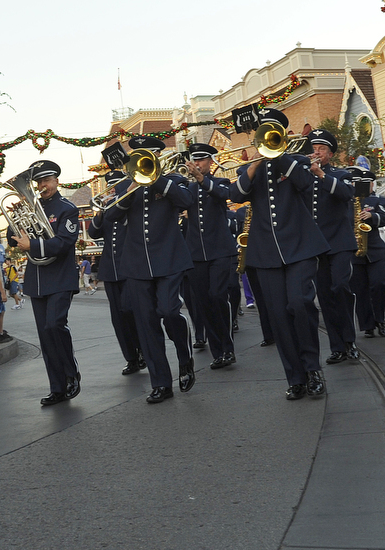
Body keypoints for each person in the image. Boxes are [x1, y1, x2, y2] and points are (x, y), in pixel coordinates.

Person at [235, 109, 330, 400]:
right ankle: (295, 377)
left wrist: (280, 155)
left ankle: (312, 368)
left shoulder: (297, 162)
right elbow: (236, 195)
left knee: (301, 304)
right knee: (278, 315)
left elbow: (305, 184)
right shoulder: (251, 169)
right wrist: (253, 166)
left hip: (300, 247)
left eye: (272, 132)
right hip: (266, 254)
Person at [102, 139, 197, 403]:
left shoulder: (173, 180)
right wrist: (130, 188)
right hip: (136, 265)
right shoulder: (125, 185)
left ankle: (184, 356)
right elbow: (108, 218)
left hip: (169, 260)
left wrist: (157, 180)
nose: (145, 159)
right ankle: (161, 383)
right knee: (146, 324)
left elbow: (187, 200)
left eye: (151, 155)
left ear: (159, 156)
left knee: (168, 311)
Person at [11, 160, 82, 406]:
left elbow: (64, 242)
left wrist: (33, 245)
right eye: (39, 182)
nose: (43, 186)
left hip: (61, 277)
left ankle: (71, 373)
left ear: (56, 181)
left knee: (55, 326)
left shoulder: (67, 208)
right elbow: (15, 240)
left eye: (47, 181)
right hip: (37, 280)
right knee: (44, 335)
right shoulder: (32, 207)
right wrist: (17, 223)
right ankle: (57, 387)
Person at [301, 130, 363, 362]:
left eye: (321, 148)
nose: (316, 152)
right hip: (316, 245)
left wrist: (320, 175)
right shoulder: (302, 176)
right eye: (313, 147)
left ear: (330, 153)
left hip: (339, 242)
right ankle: (337, 346)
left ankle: (349, 339)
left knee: (340, 287)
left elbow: (347, 193)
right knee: (325, 295)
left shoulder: (340, 174)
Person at [181, 143, 239, 370]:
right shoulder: (187, 188)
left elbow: (224, 194)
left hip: (220, 251)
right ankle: (218, 352)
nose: (197, 164)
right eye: (194, 160)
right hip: (196, 254)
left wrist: (201, 179)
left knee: (217, 296)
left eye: (202, 160)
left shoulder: (219, 182)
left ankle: (228, 346)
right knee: (204, 304)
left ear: (210, 162)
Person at [88, 169, 143, 375]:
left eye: (116, 185)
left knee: (132, 311)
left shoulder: (129, 204)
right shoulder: (108, 209)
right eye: (109, 186)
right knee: (118, 317)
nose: (112, 190)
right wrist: (100, 211)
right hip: (110, 269)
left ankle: (143, 350)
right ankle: (131, 357)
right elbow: (93, 233)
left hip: (129, 268)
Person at [351, 168, 385, 347]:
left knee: (379, 285)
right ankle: (367, 326)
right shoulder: (346, 200)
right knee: (360, 291)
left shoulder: (377, 200)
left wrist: (372, 216)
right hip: (355, 253)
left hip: (376, 250)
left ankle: (380, 319)